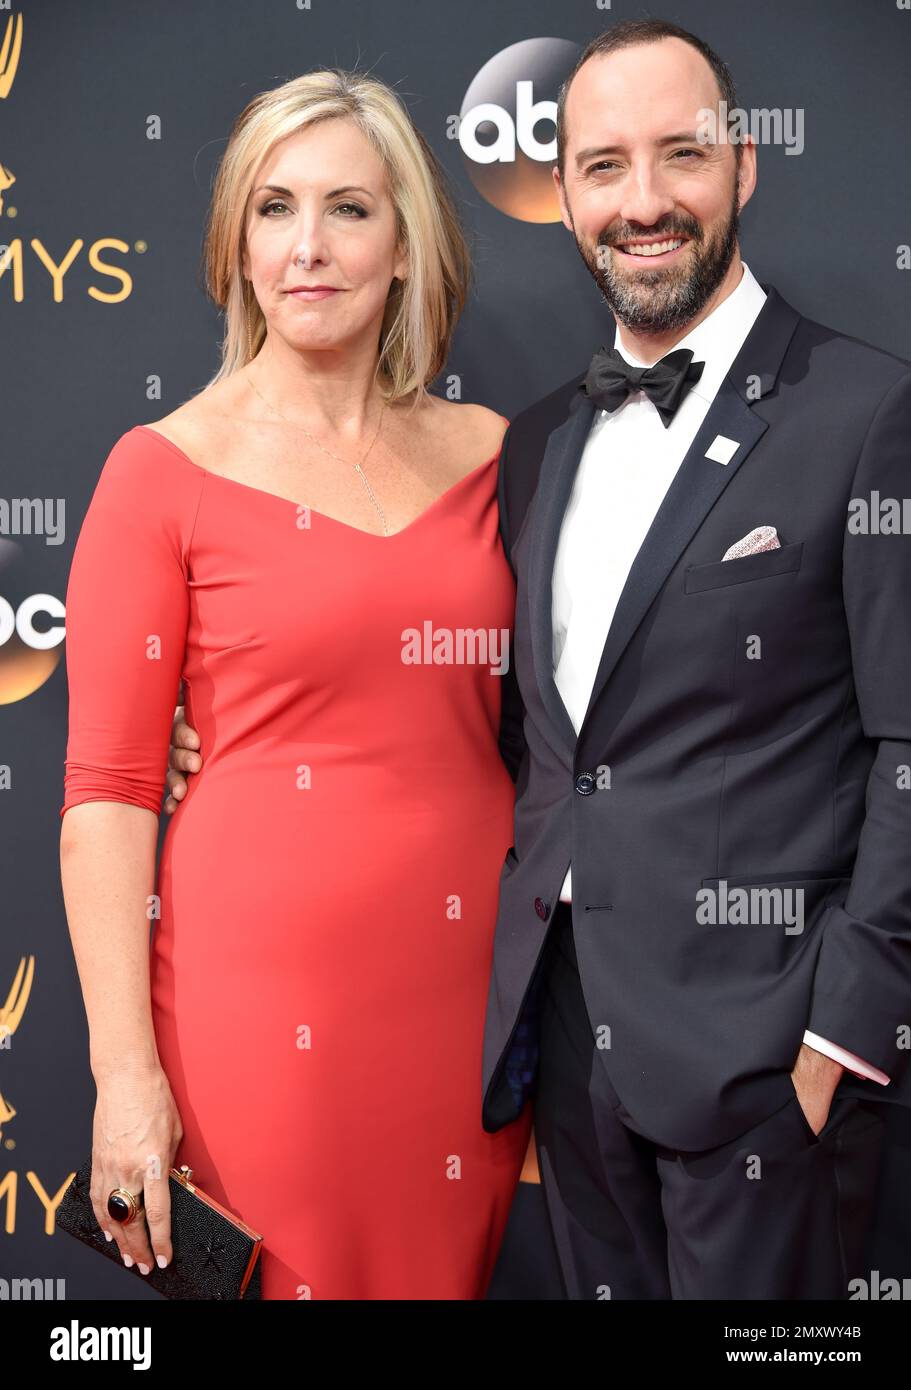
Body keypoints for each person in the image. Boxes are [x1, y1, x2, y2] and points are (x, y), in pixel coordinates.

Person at [59, 67, 533, 1300]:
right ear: (235, 244)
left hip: (474, 1005)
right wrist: (124, 1075)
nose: (307, 247)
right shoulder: (160, 472)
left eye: (347, 209)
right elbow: (109, 791)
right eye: (273, 209)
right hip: (260, 1008)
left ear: (406, 244)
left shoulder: (499, 459)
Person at [476, 19, 911, 1299]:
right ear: (559, 196)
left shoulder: (866, 410)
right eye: (603, 166)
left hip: (770, 1066)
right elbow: (540, 735)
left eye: (681, 155)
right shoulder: (538, 442)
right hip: (571, 1049)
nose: (645, 200)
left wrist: (845, 1024)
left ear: (744, 167)